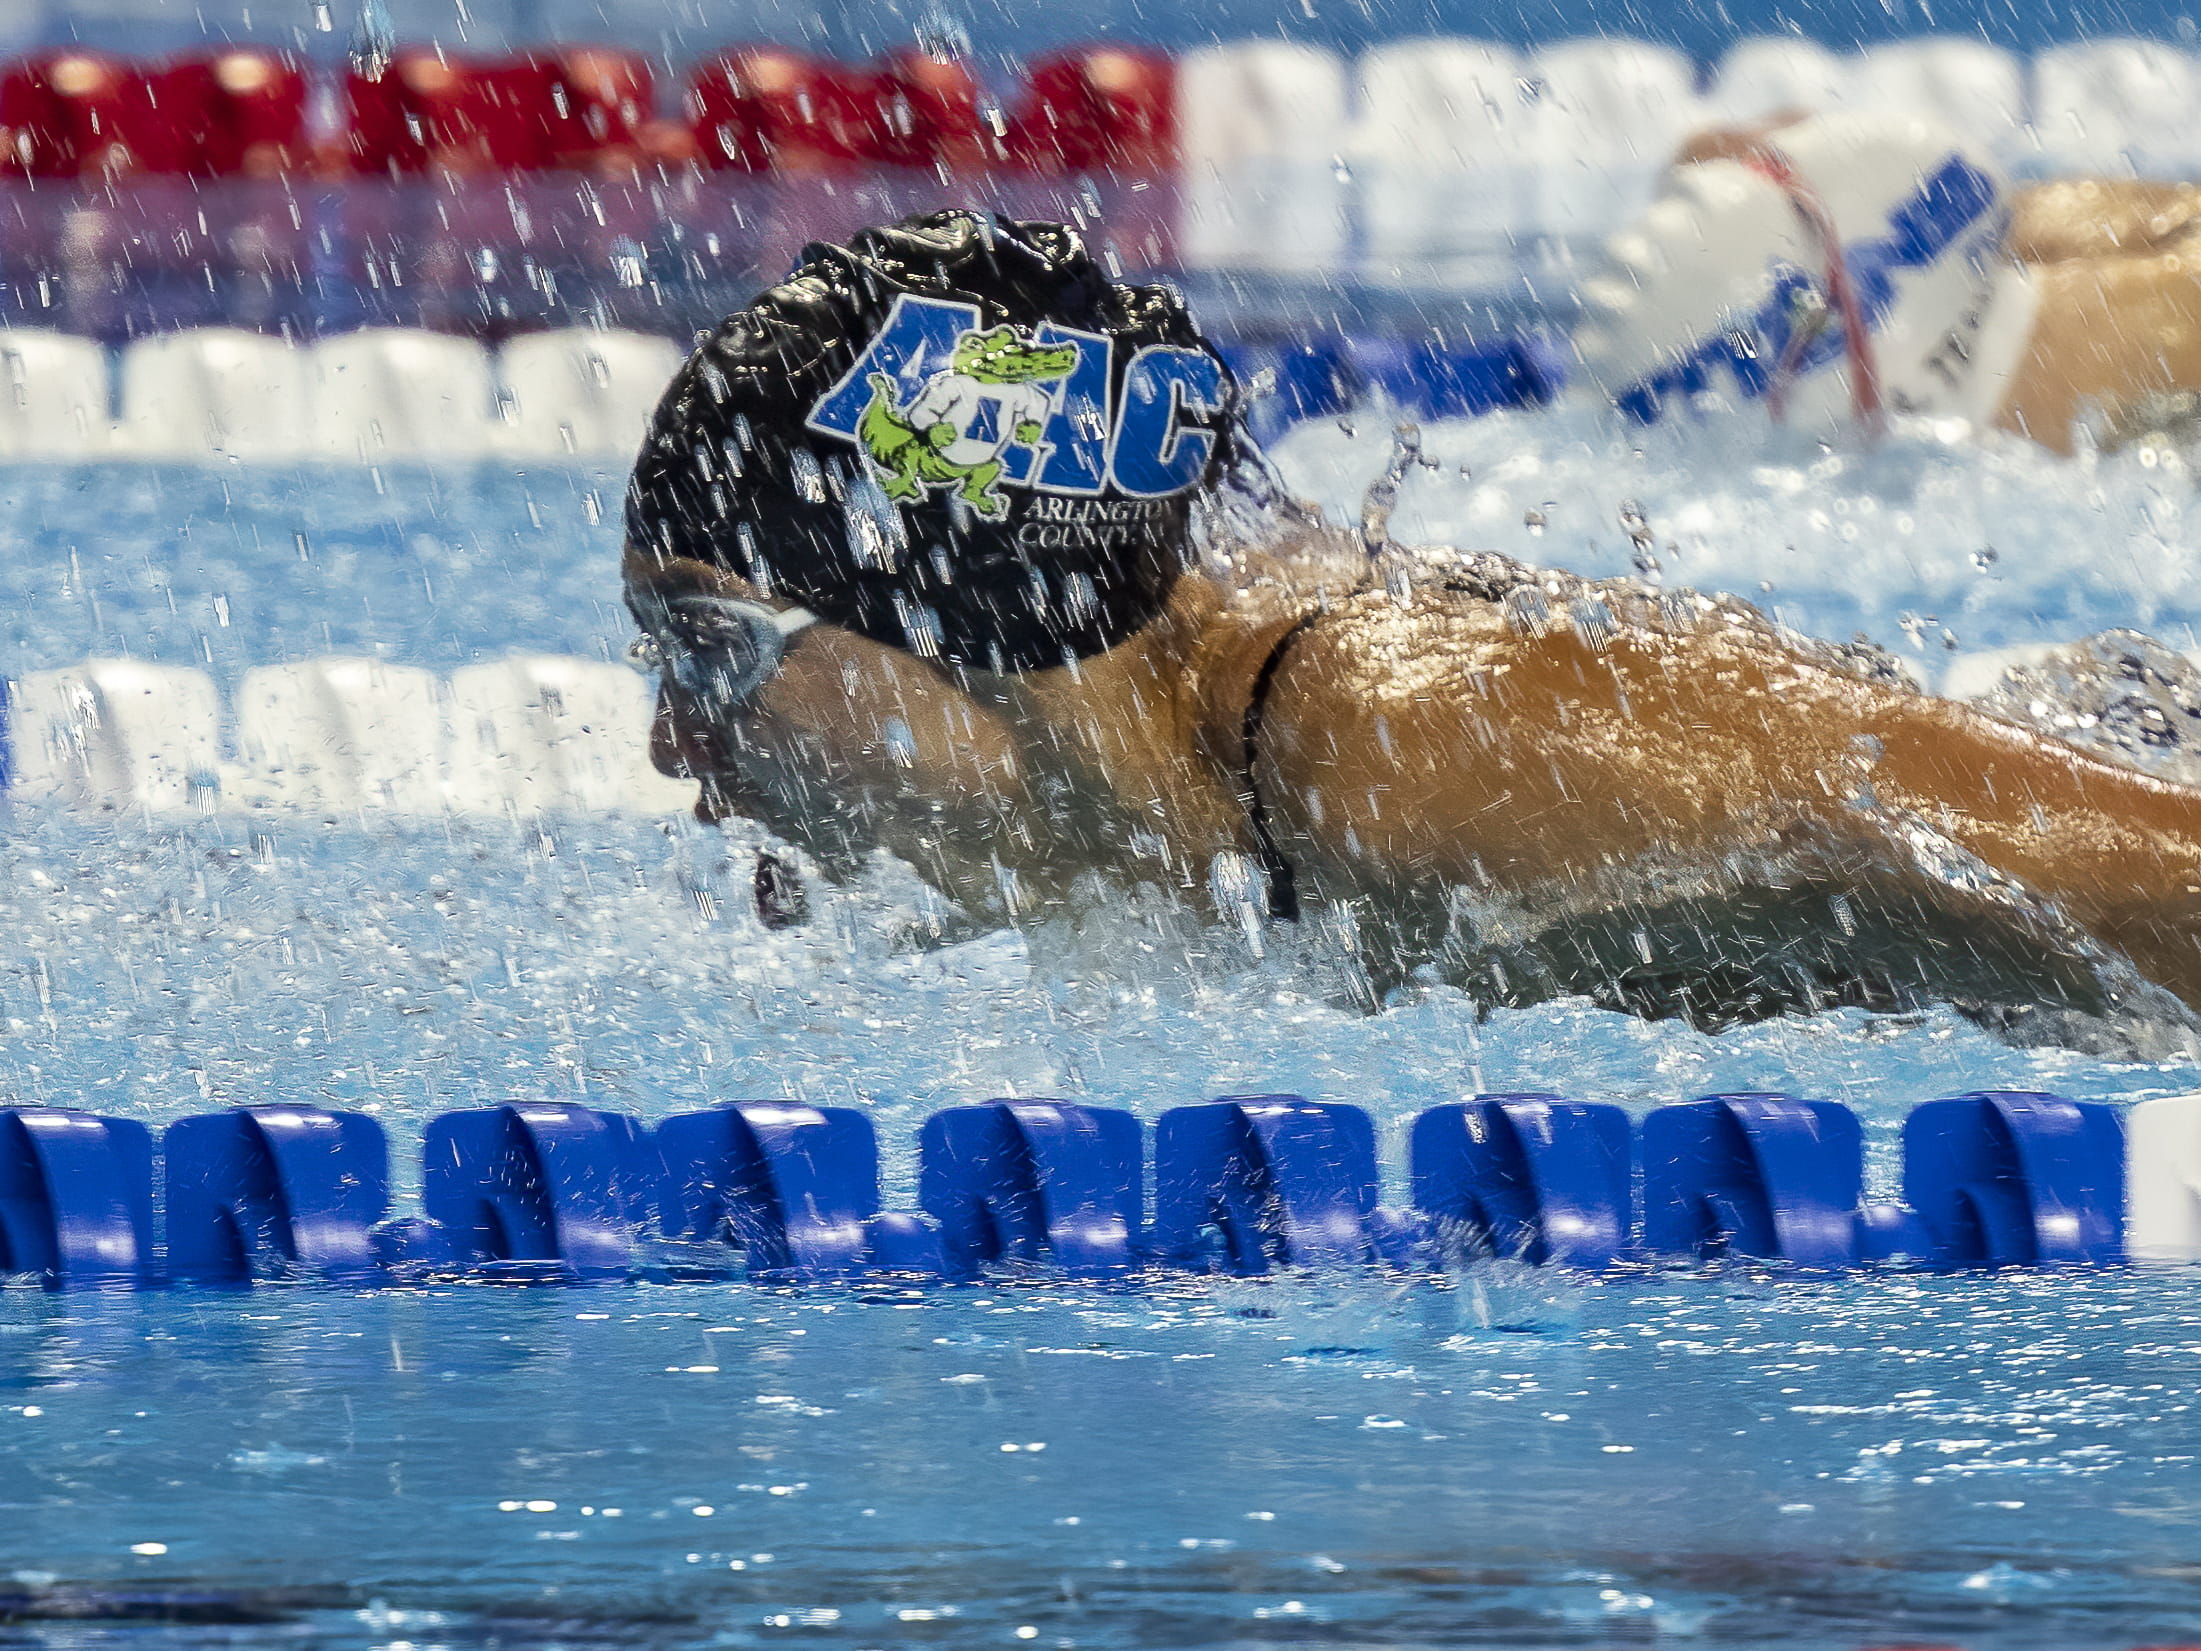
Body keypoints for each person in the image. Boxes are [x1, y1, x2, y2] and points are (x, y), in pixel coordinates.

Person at [623, 203, 2201, 1045]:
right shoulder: (1241, 788)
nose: (673, 743)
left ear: (976, 617)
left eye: (712, 654)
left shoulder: (1406, 732)